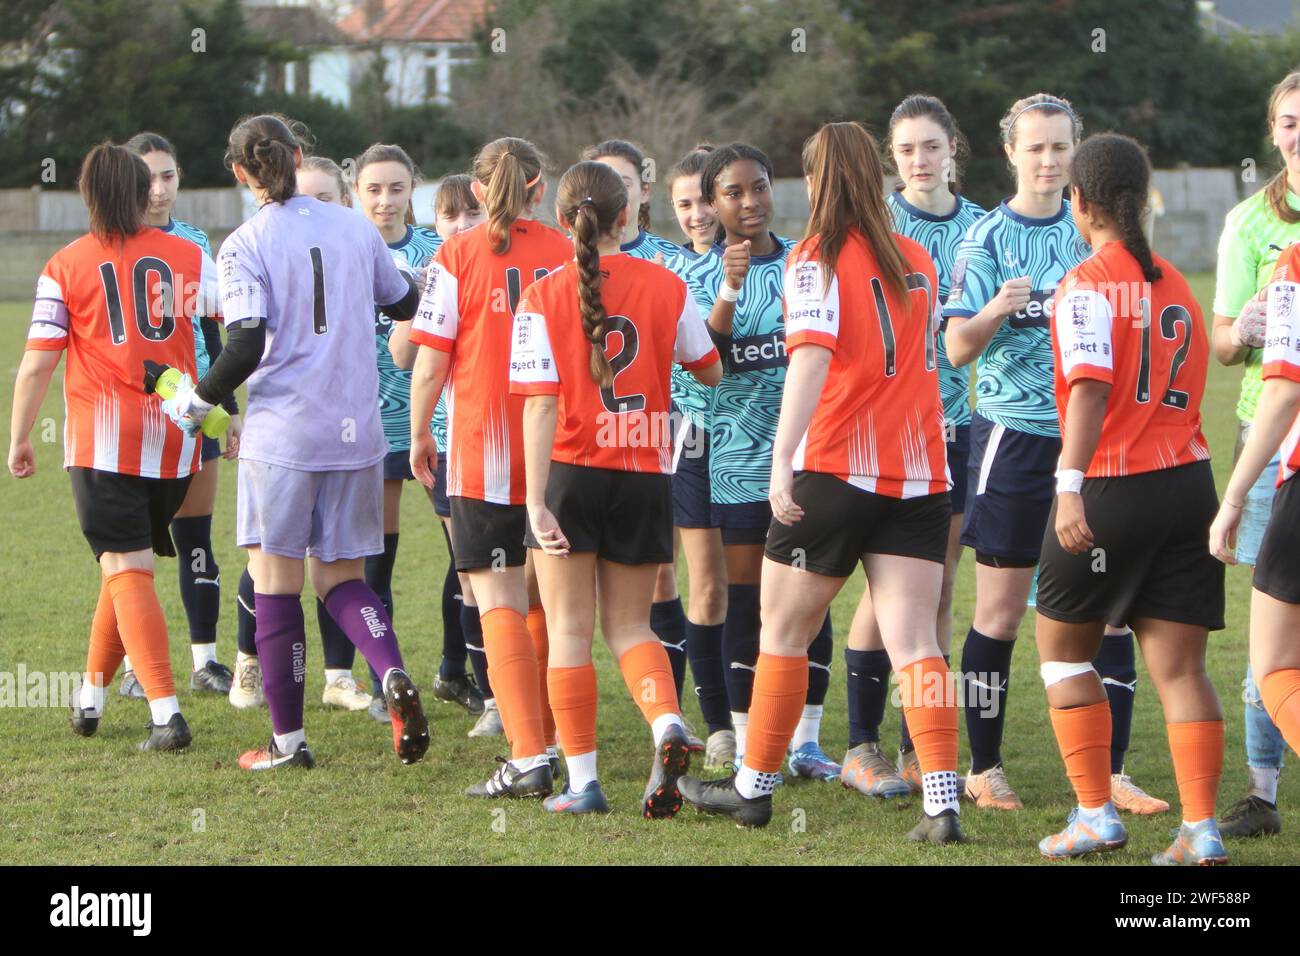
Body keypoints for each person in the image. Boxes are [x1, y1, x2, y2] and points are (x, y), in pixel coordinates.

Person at [680, 121, 967, 844]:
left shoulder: (813, 257)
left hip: (837, 470)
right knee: (918, 644)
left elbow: (809, 362)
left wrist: (782, 462)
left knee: (782, 629)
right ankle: (941, 802)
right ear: (875, 176)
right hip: (921, 475)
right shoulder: (916, 257)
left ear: (815, 182)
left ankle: (752, 789)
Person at [175, 113, 429, 770]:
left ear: (240, 173)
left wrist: (197, 401)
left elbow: (247, 340)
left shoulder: (243, 244)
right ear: (294, 156)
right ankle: (391, 671)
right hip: (359, 431)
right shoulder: (354, 226)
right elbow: (406, 304)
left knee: (277, 583)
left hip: (285, 435)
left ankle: (287, 742)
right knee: (343, 577)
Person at [1036, 133, 1226, 864]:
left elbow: (1088, 387)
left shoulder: (1085, 281)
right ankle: (1200, 830)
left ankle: (1094, 814)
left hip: (1112, 484)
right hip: (1187, 484)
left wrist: (1068, 488)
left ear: (1080, 203)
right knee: (1182, 669)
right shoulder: (1176, 281)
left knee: (1061, 655)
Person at [510, 159, 722, 814]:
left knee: (570, 633)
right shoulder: (668, 283)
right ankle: (667, 723)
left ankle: (584, 784)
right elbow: (708, 371)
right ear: (626, 217)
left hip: (573, 472)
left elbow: (541, 406)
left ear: (561, 220)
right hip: (645, 473)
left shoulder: (541, 295)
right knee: (632, 626)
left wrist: (535, 498)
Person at [10, 142, 212, 751]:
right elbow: (233, 335)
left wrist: (20, 436)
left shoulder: (65, 265)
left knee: (125, 568)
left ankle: (165, 713)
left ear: (89, 194)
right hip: (177, 442)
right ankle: (91, 699)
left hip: (103, 444)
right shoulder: (191, 257)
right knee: (123, 570)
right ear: (140, 190)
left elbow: (37, 363)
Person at [407, 136, 573, 797]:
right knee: (545, 603)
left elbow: (430, 362)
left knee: (497, 601)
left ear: (477, 192)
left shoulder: (453, 255)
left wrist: (420, 432)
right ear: (540, 188)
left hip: (481, 448)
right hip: (558, 451)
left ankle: (528, 754)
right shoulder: (566, 250)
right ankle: (559, 735)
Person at [943, 93, 1088, 810]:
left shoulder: (1093, 232)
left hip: (1089, 440)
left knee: (1100, 606)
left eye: (1060, 146)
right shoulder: (986, 238)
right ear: (1011, 153)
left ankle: (1112, 770)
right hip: (1011, 437)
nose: (1050, 160)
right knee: (999, 612)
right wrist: (997, 309)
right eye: (1036, 147)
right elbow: (954, 346)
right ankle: (985, 766)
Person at [840, 95, 985, 800]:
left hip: (953, 431)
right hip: (878, 435)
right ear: (890, 160)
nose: (920, 162)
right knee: (883, 589)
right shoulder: (879, 226)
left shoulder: (982, 229)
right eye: (905, 151)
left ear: (952, 147)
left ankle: (914, 747)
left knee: (938, 588)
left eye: (931, 146)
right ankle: (860, 744)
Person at [682, 142, 840, 781]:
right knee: (747, 603)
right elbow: (704, 373)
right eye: (733, 193)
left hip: (814, 460)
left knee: (810, 601)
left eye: (759, 187)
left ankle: (807, 739)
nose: (750, 203)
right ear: (713, 203)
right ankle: (747, 740)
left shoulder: (811, 263)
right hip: (739, 461)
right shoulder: (695, 277)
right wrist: (730, 287)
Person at [115, 132, 240, 701]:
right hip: (131, 415)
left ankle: (205, 661)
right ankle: (136, 667)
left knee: (195, 537)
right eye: (147, 177)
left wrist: (227, 407)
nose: (158, 188)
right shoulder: (109, 241)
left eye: (168, 175)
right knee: (132, 546)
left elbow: (215, 333)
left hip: (193, 410)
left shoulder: (193, 241)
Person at [1208, 71, 1300, 839]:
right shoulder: (1246, 223)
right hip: (1268, 437)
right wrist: (1253, 328)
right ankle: (1262, 793)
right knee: (1266, 622)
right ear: (1273, 132)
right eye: (1291, 122)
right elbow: (1221, 344)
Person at [582, 139, 699, 740]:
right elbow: (706, 361)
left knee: (654, 586)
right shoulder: (564, 266)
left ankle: (568, 760)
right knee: (624, 614)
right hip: (636, 452)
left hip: (594, 452)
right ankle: (664, 720)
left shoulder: (668, 265)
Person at [665, 145, 734, 769]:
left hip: (766, 440)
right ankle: (718, 725)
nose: (696, 214)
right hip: (692, 437)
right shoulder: (665, 270)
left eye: (705, 200)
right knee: (707, 585)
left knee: (777, 589)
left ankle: (794, 724)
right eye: (683, 203)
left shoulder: (783, 257)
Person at [430, 174, 501, 738]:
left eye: (469, 215)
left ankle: (510, 692)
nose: (461, 226)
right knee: (472, 574)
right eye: (449, 216)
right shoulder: (441, 270)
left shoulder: (500, 261)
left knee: (505, 577)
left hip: (507, 440)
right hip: (456, 444)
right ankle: (493, 694)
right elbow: (410, 354)